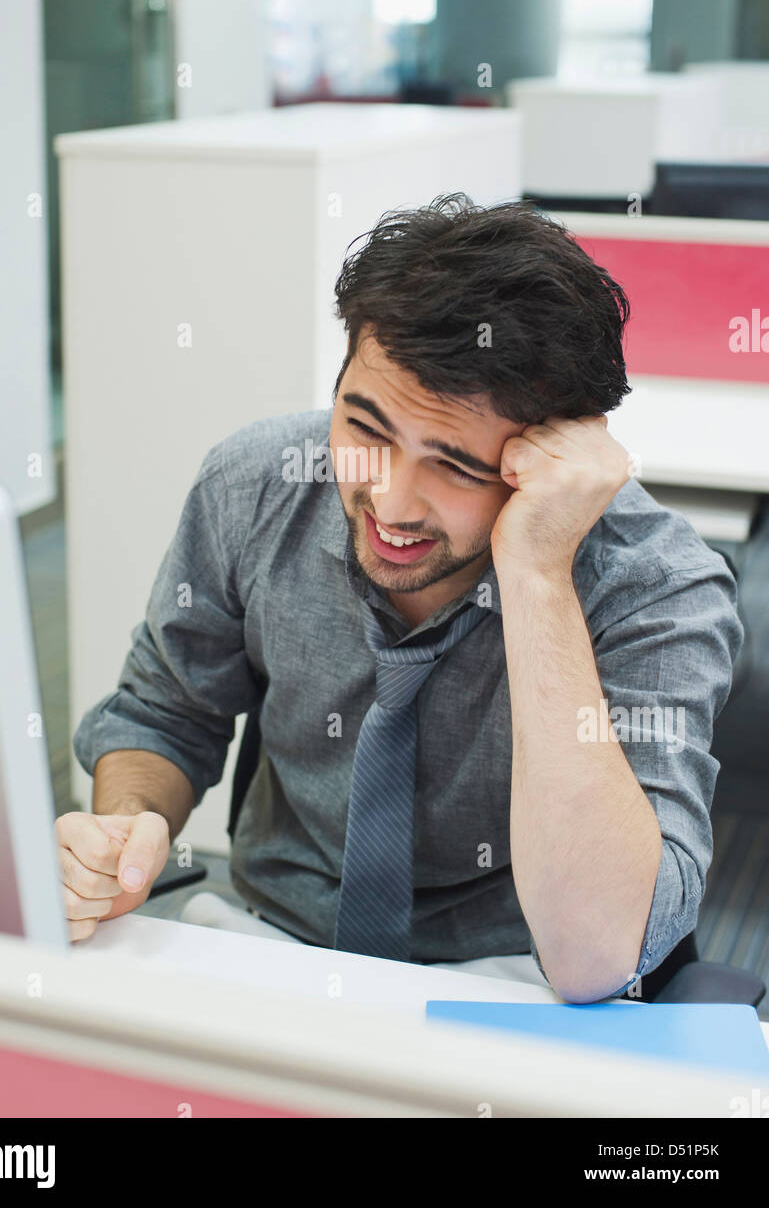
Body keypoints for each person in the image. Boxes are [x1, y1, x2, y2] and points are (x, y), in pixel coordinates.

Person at [60, 194, 742, 1003]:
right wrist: (125, 828)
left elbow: (598, 952)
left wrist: (534, 574)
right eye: (364, 427)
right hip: (274, 949)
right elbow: (165, 712)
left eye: (455, 466)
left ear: (555, 453)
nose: (389, 502)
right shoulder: (253, 486)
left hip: (521, 981)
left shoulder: (657, 590)